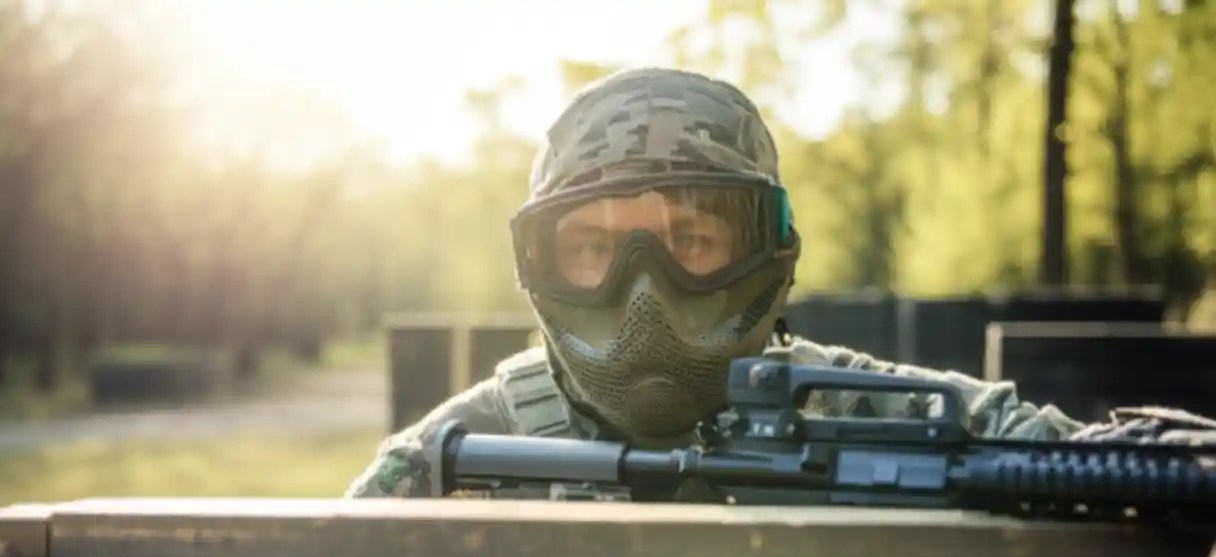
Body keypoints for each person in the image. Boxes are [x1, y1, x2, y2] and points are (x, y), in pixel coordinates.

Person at [346, 67, 1208, 500]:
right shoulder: (448, 463)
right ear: (539, 267)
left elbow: (1119, 467)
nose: (643, 292)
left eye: (691, 237)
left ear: (769, 251)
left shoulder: (899, 426)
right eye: (593, 249)